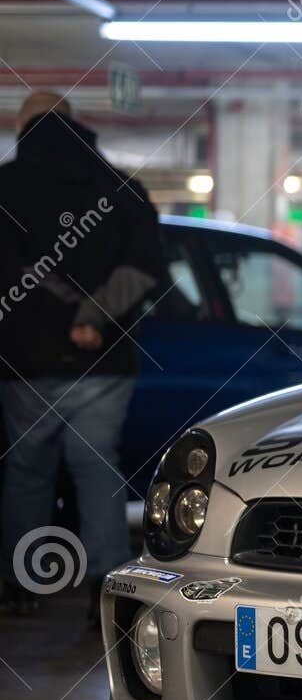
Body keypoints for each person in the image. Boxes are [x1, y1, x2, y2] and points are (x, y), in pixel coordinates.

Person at [0, 92, 163, 622]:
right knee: (97, 467)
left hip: (27, 361)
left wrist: (63, 318)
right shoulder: (123, 189)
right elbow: (145, 268)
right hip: (106, 361)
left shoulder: (7, 187)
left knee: (28, 470)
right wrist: (92, 318)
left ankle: (23, 583)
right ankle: (104, 590)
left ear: (25, 127)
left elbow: (13, 271)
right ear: (74, 124)